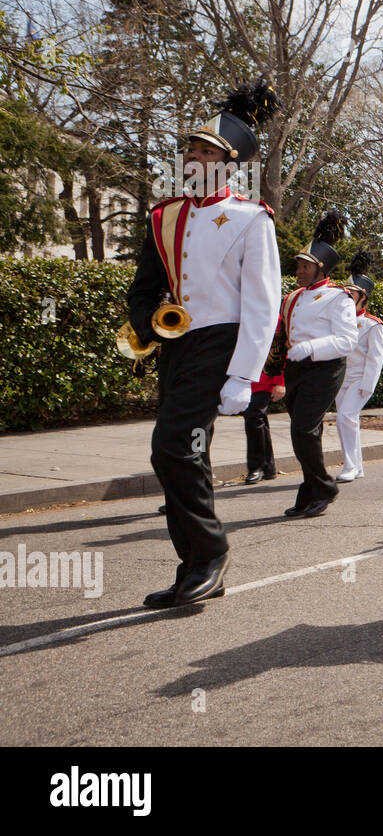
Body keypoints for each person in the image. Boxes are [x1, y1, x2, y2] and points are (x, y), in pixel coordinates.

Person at [127, 79, 281, 608]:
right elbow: (144, 288)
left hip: (221, 344)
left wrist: (244, 375)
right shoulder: (163, 215)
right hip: (177, 345)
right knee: (179, 454)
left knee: (171, 447)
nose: (193, 156)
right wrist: (145, 326)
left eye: (206, 151)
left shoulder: (249, 219)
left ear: (230, 163)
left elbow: (262, 304)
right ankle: (194, 563)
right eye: (191, 148)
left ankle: (210, 553)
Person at [272, 213, 358, 517]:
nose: (299, 271)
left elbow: (348, 340)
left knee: (303, 430)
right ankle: (310, 492)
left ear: (320, 268)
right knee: (309, 433)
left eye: (305, 266)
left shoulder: (339, 298)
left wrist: (312, 347)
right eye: (298, 265)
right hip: (297, 369)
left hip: (325, 368)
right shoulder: (292, 297)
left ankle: (323, 486)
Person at [335, 252, 383, 483]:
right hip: (340, 379)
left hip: (359, 379)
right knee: (347, 419)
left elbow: (376, 358)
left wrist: (368, 386)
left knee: (345, 416)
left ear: (363, 298)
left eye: (351, 294)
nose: (346, 298)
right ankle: (357, 466)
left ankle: (349, 465)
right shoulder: (337, 320)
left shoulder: (371, 325)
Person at [243, 324, 284, 485]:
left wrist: (279, 381)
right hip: (244, 376)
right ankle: (268, 467)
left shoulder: (272, 313)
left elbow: (278, 348)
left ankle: (256, 467)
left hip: (264, 377)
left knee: (254, 417)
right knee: (258, 420)